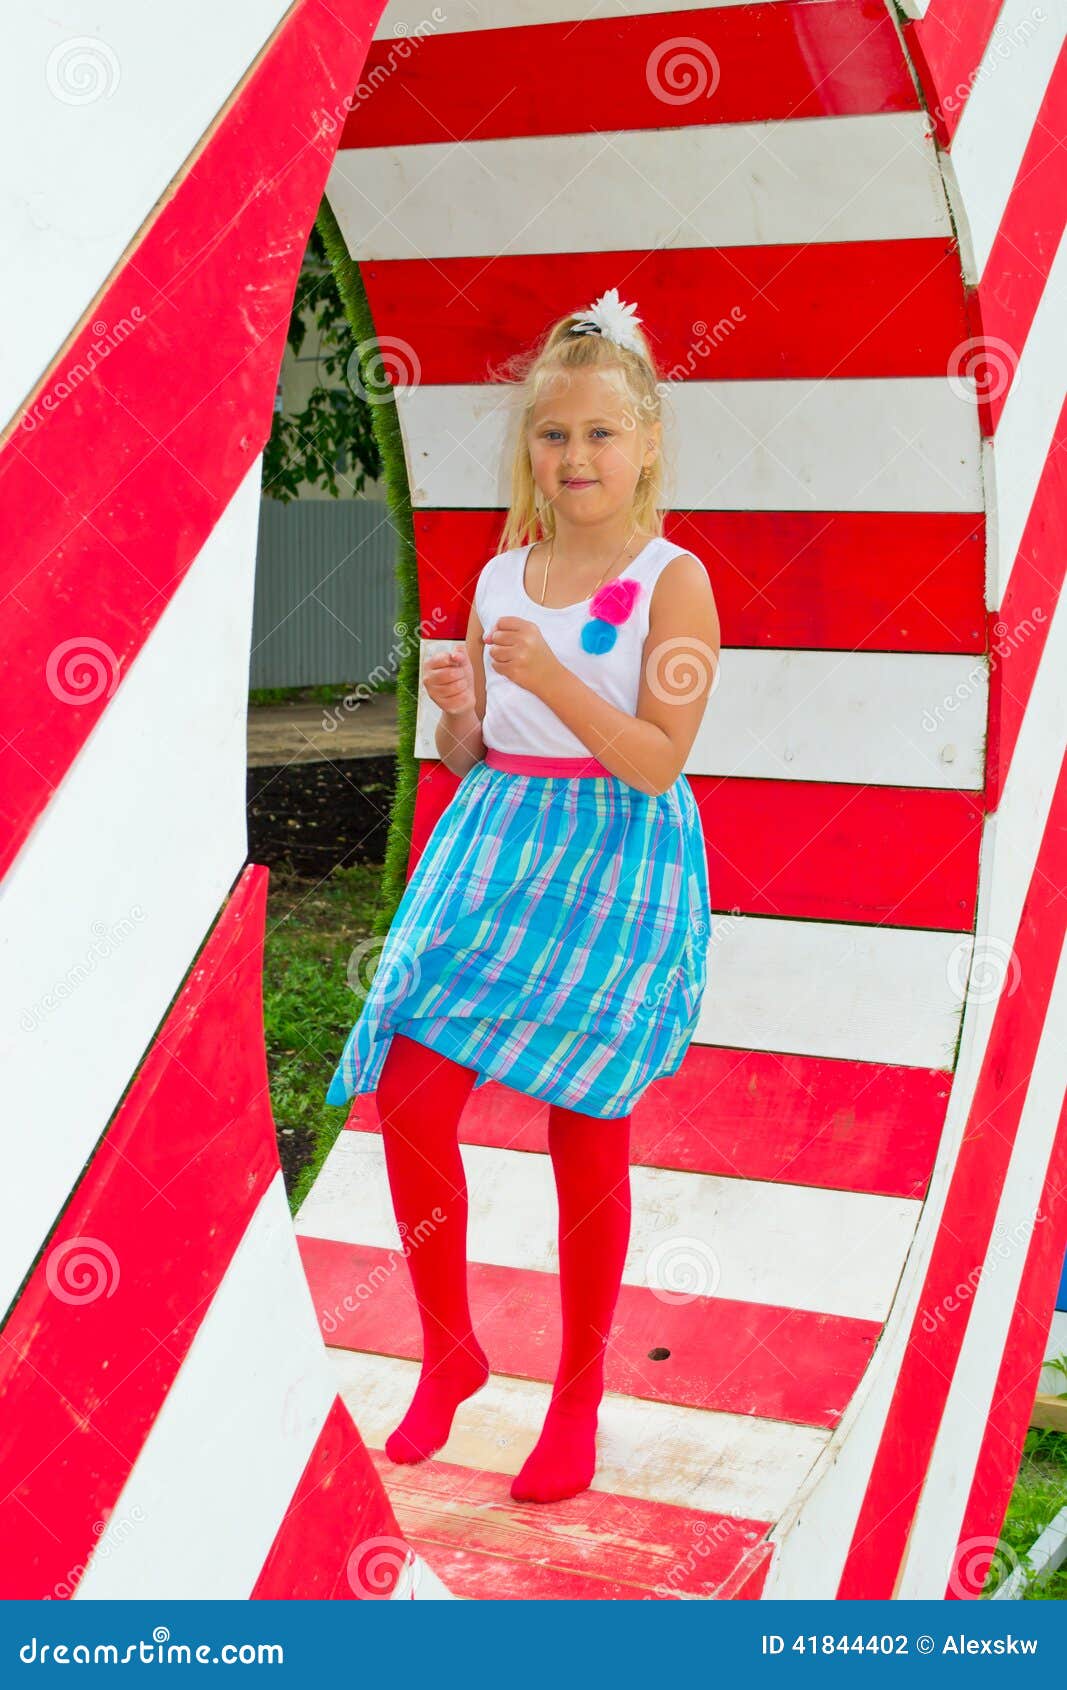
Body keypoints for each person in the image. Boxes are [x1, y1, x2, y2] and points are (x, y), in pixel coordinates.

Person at [325, 287, 719, 1504]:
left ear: (646, 440)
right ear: (528, 451)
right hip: (500, 846)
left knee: (584, 1124)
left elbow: (658, 758)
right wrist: (455, 710)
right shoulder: (503, 576)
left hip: (617, 859)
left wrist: (554, 669)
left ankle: (578, 1397)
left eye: (601, 434)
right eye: (553, 436)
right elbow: (476, 754)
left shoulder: (672, 580)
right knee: (409, 1091)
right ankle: (451, 1347)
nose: (575, 457)